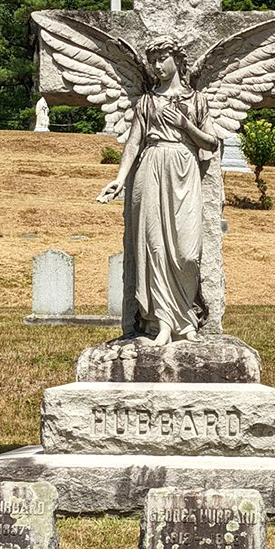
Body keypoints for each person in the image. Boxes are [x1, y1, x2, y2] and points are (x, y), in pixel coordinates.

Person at [98, 37, 219, 345]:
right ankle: (163, 323)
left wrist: (185, 125)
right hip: (151, 169)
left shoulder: (197, 100)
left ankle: (185, 317)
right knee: (154, 249)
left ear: (177, 60)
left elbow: (212, 143)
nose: (155, 66)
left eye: (161, 58)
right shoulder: (147, 102)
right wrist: (120, 178)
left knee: (187, 253)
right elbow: (134, 143)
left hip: (184, 167)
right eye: (151, 60)